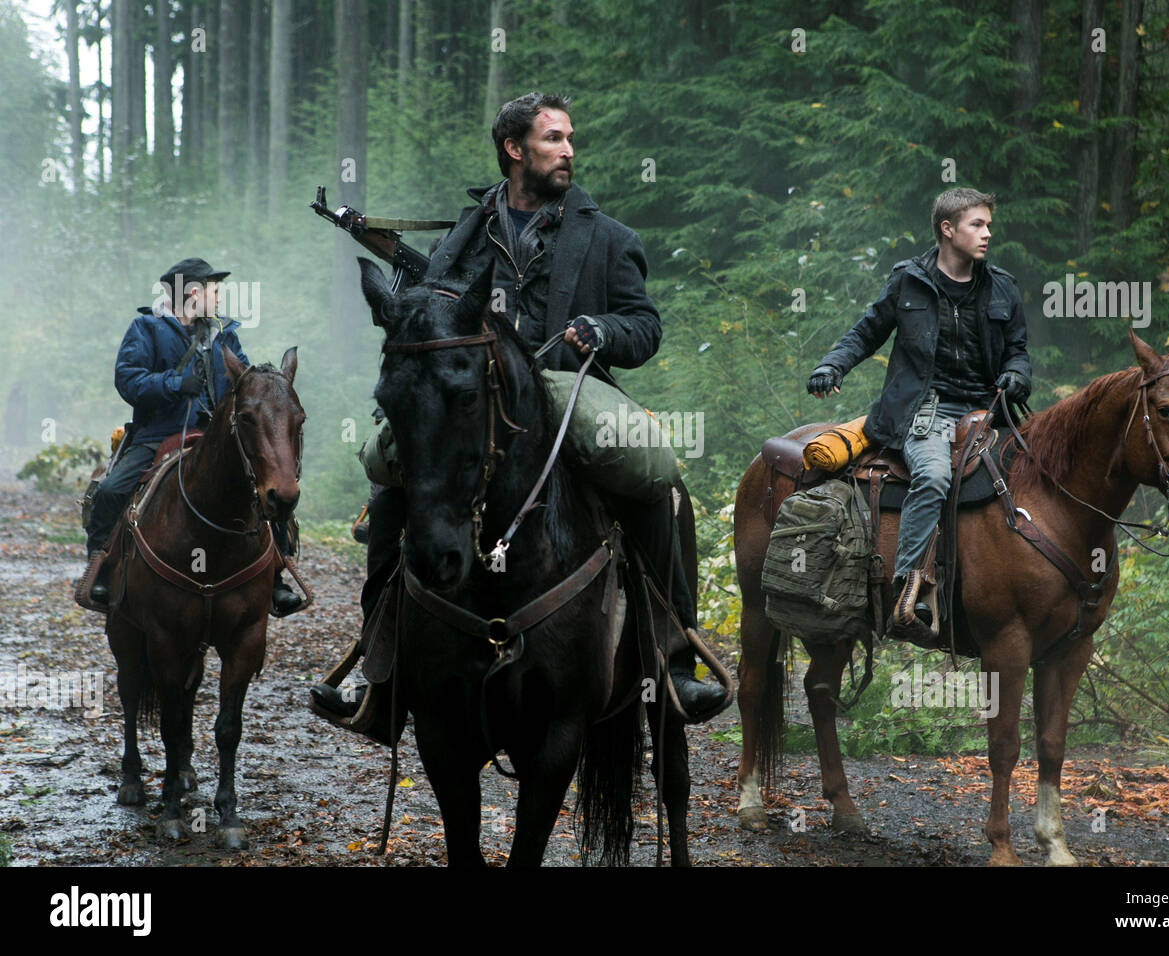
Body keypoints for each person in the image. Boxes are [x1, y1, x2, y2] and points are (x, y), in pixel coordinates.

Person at [311, 91, 726, 720]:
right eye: (553, 139)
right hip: (476, 395)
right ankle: (381, 670)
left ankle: (672, 663)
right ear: (514, 149)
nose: (568, 151)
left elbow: (645, 325)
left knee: (656, 478)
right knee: (392, 471)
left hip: (566, 385)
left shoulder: (610, 238)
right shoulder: (464, 234)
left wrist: (605, 330)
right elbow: (435, 311)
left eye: (568, 139)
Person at [806, 188, 1031, 639]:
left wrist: (1015, 377)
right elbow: (865, 333)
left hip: (989, 413)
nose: (988, 233)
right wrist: (832, 365)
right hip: (923, 411)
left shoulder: (1003, 285)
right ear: (947, 230)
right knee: (932, 475)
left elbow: (1018, 352)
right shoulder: (908, 281)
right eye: (977, 225)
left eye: (989, 224)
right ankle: (905, 594)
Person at [83, 257, 302, 615]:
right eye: (215, 291)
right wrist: (173, 383)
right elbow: (127, 379)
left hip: (215, 437)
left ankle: (276, 576)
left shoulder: (224, 333)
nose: (219, 298)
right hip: (157, 435)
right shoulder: (146, 328)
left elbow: (243, 380)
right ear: (194, 292)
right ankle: (102, 569)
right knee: (110, 491)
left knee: (266, 483)